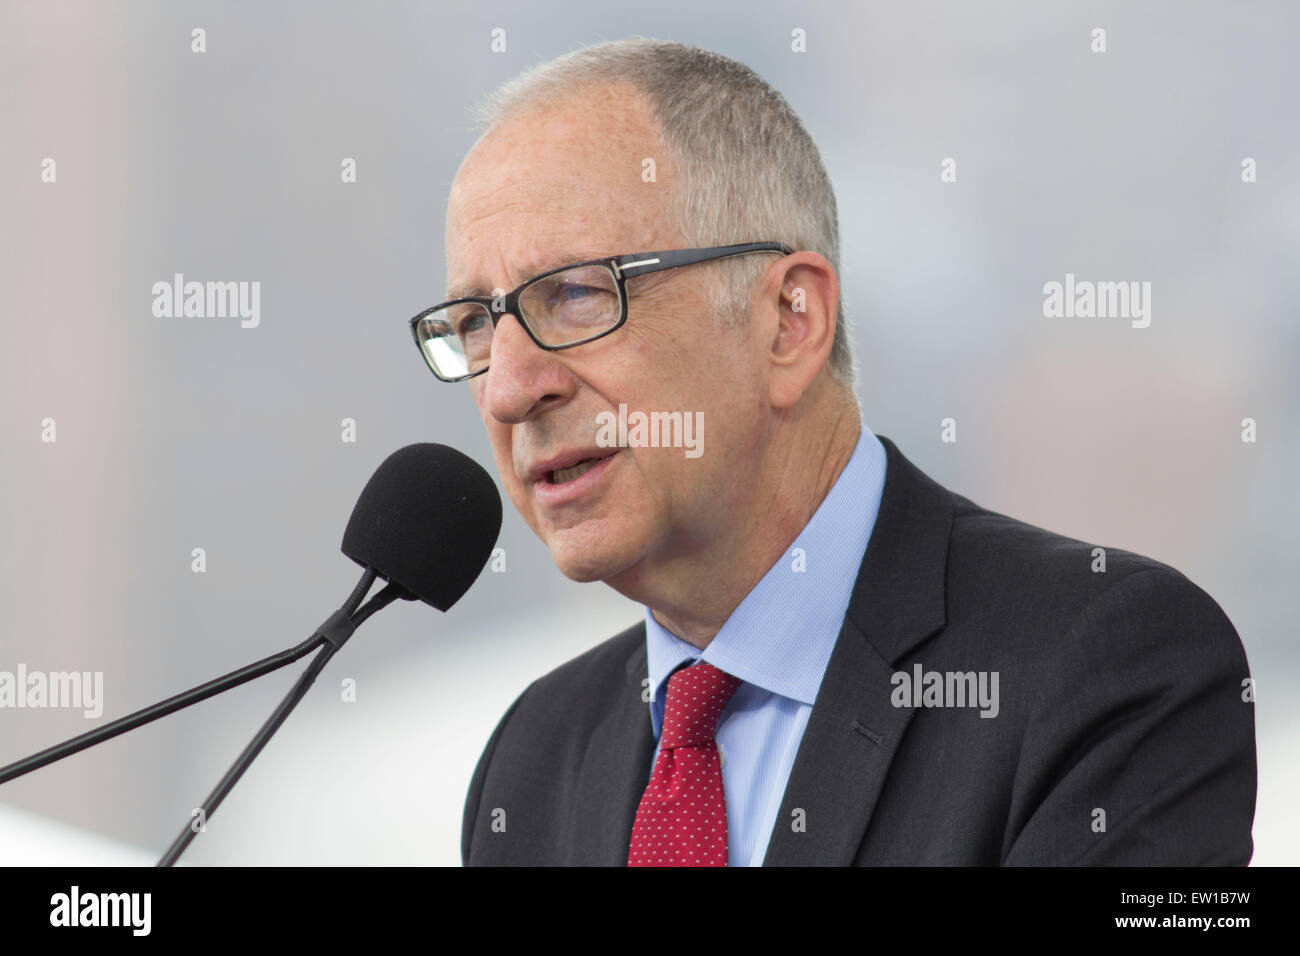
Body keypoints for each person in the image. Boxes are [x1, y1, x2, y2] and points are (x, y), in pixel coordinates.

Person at [411, 38, 1256, 865]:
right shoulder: (533, 760)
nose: (509, 389)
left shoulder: (1112, 670)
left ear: (789, 321)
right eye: (476, 324)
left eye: (575, 294)